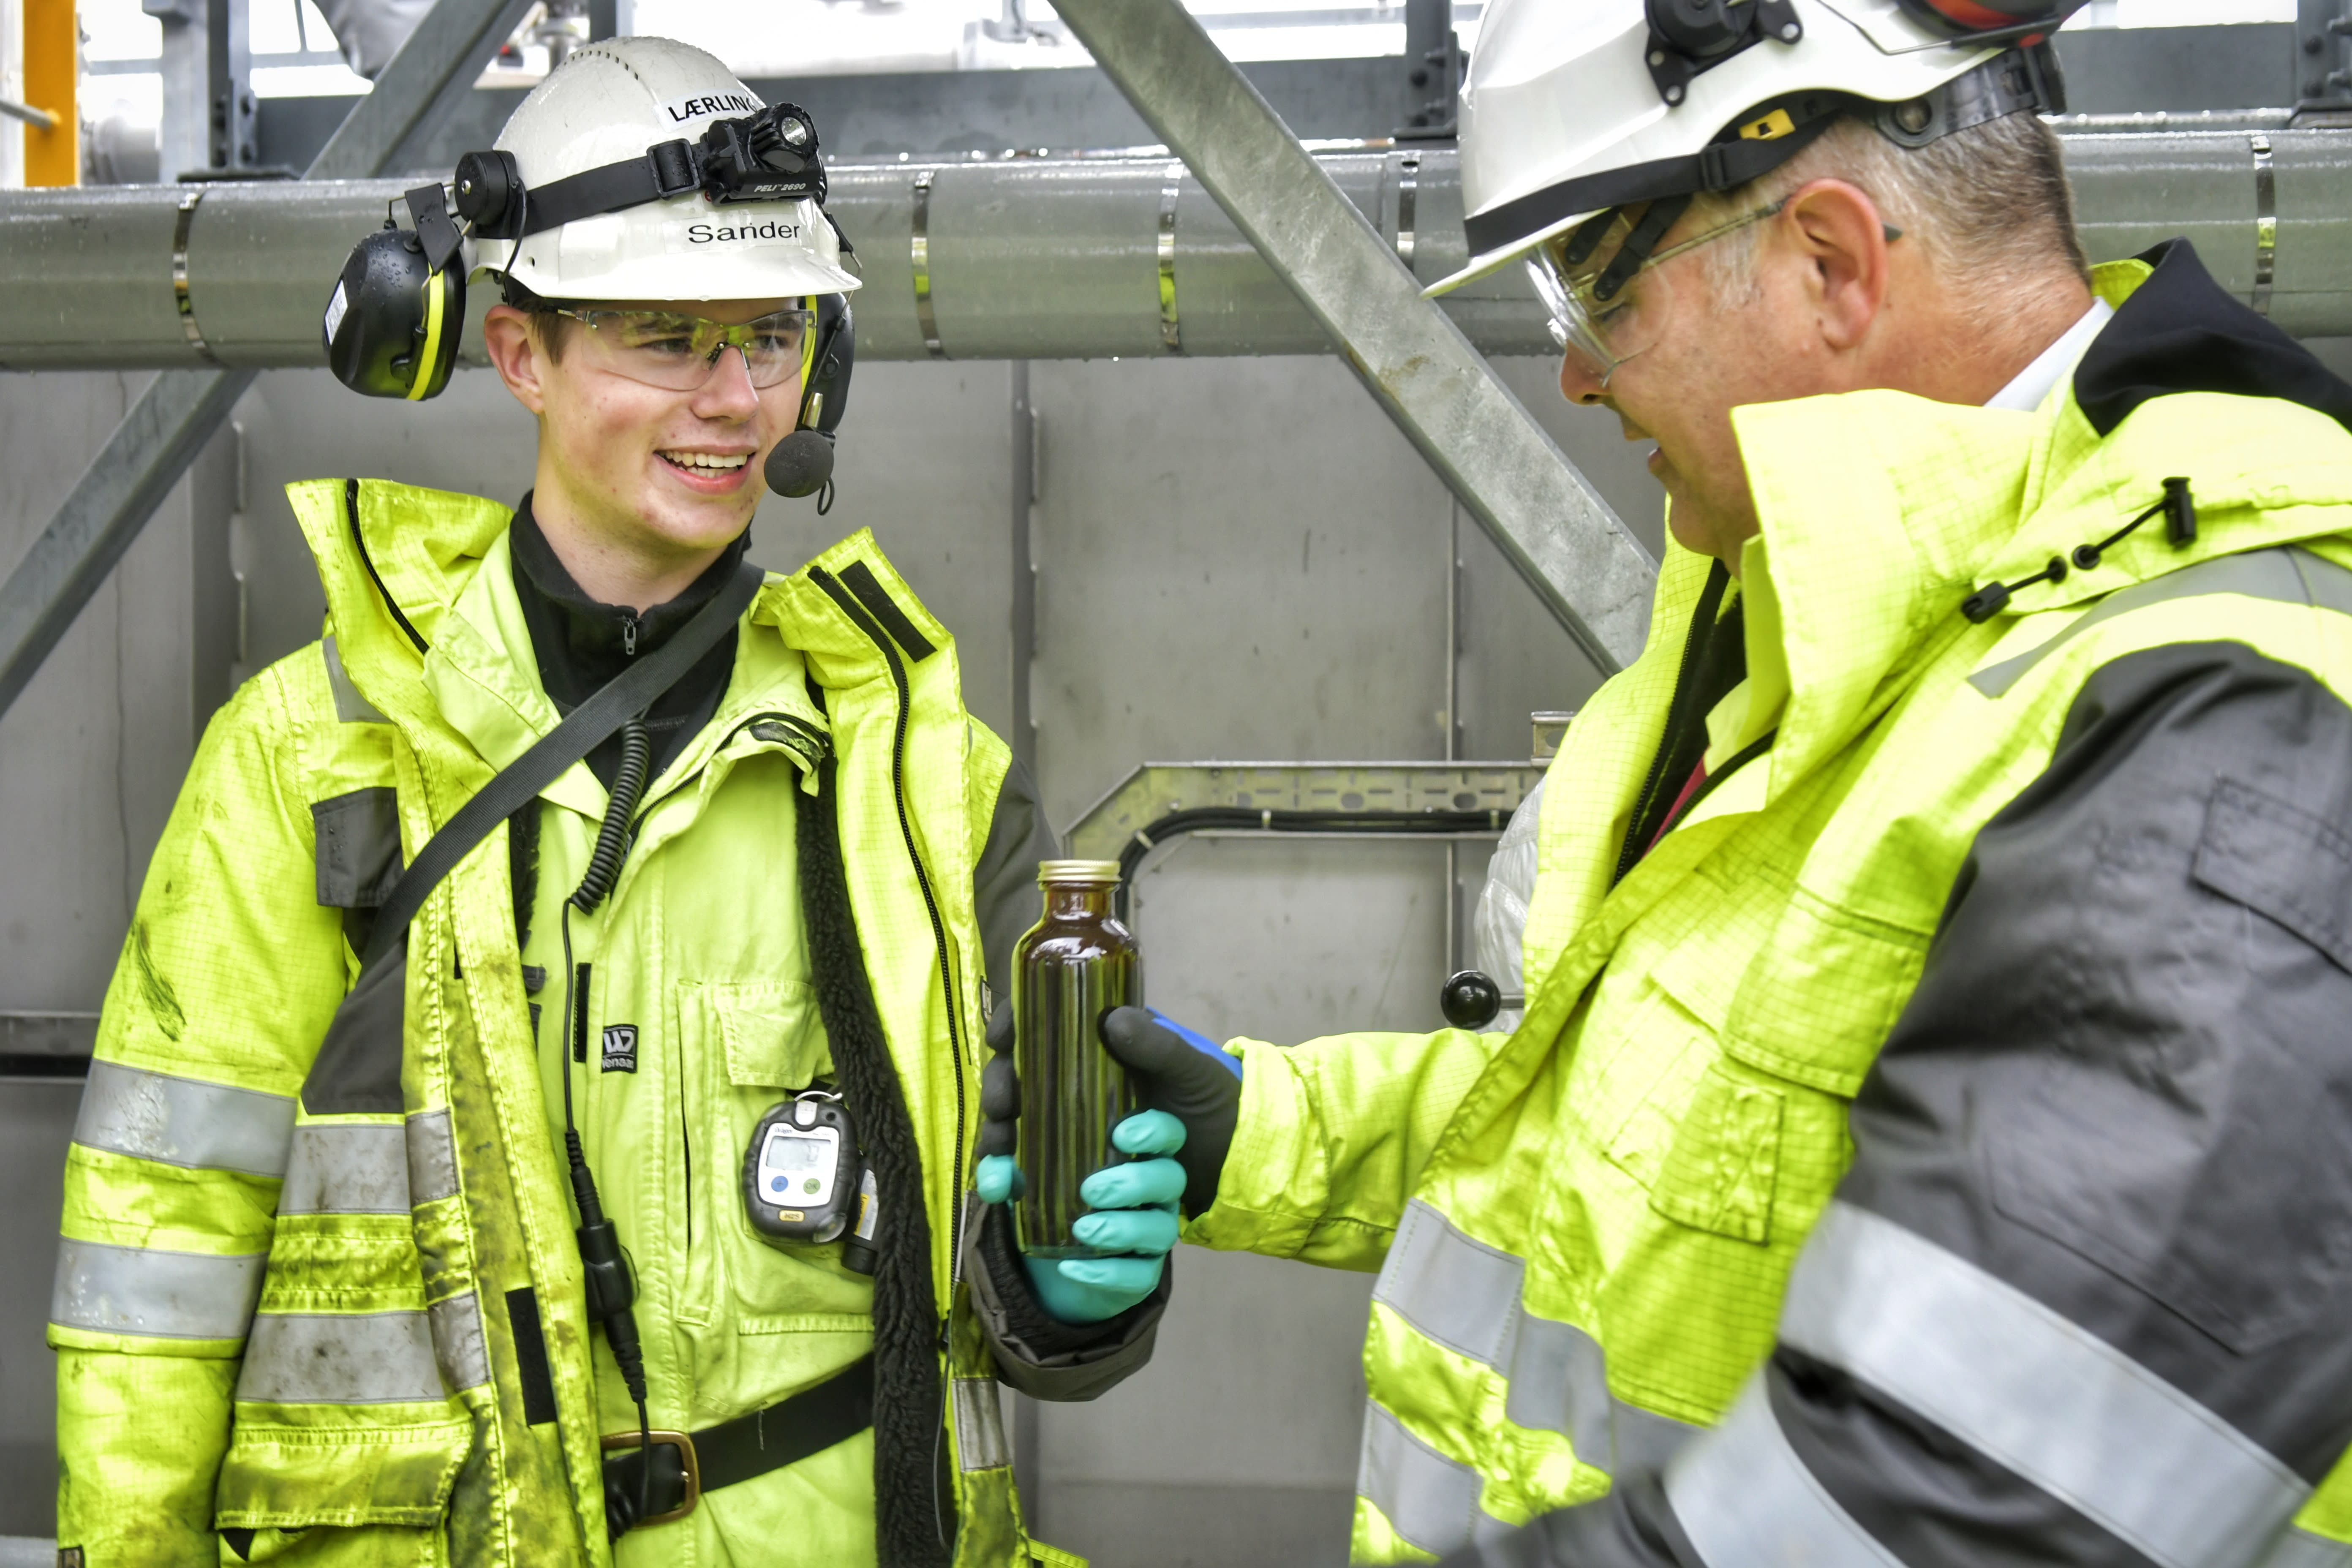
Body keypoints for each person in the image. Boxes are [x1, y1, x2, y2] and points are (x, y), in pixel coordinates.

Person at [1039, 0, 2352, 1562]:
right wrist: (1266, 1131)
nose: (1576, 378)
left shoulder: (2230, 697)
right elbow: (1640, 1135)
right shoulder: (1816, 615)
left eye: (1595, 290)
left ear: (1832, 260)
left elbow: (1965, 1508)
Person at [49, 38, 1180, 1568]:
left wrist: (1071, 1286)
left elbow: (1017, 1257)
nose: (736, 401)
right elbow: (158, 1245)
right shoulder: (312, 759)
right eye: (667, 338)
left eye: (770, 335)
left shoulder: (925, 782)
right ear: (521, 354)